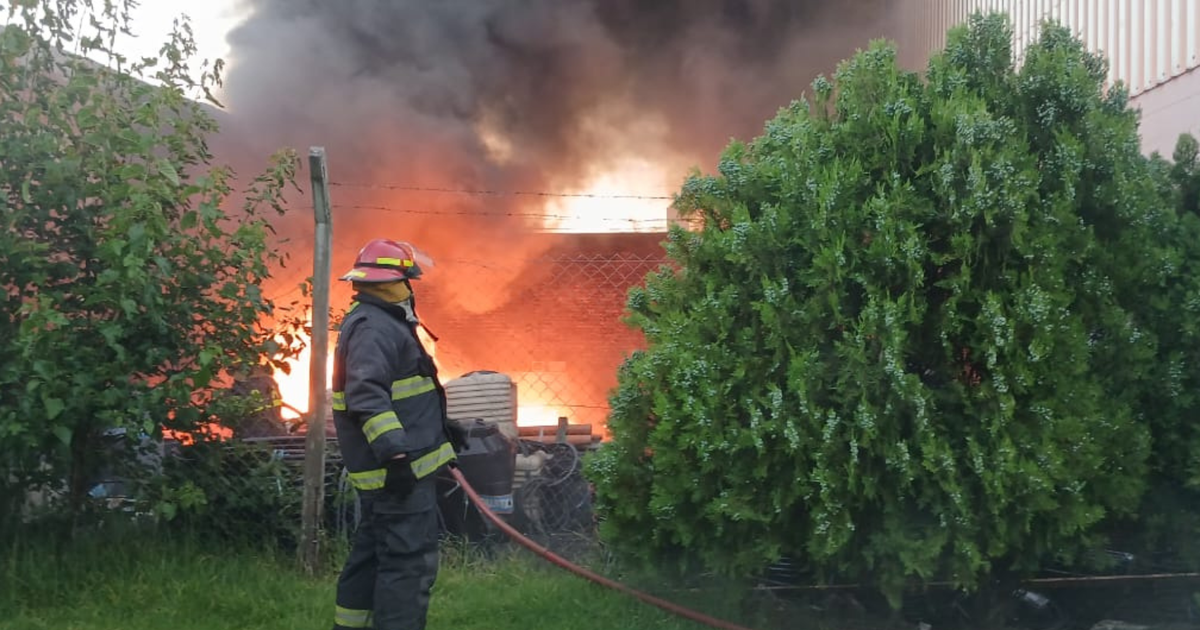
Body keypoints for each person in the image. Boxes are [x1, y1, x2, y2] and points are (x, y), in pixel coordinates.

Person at [330, 238, 468, 630]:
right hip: (396, 475)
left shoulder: (377, 322)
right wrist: (395, 455)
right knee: (407, 566)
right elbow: (367, 397)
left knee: (374, 557)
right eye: (408, 279)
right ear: (397, 281)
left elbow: (404, 393)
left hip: (394, 470)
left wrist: (440, 429)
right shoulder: (375, 328)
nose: (411, 288)